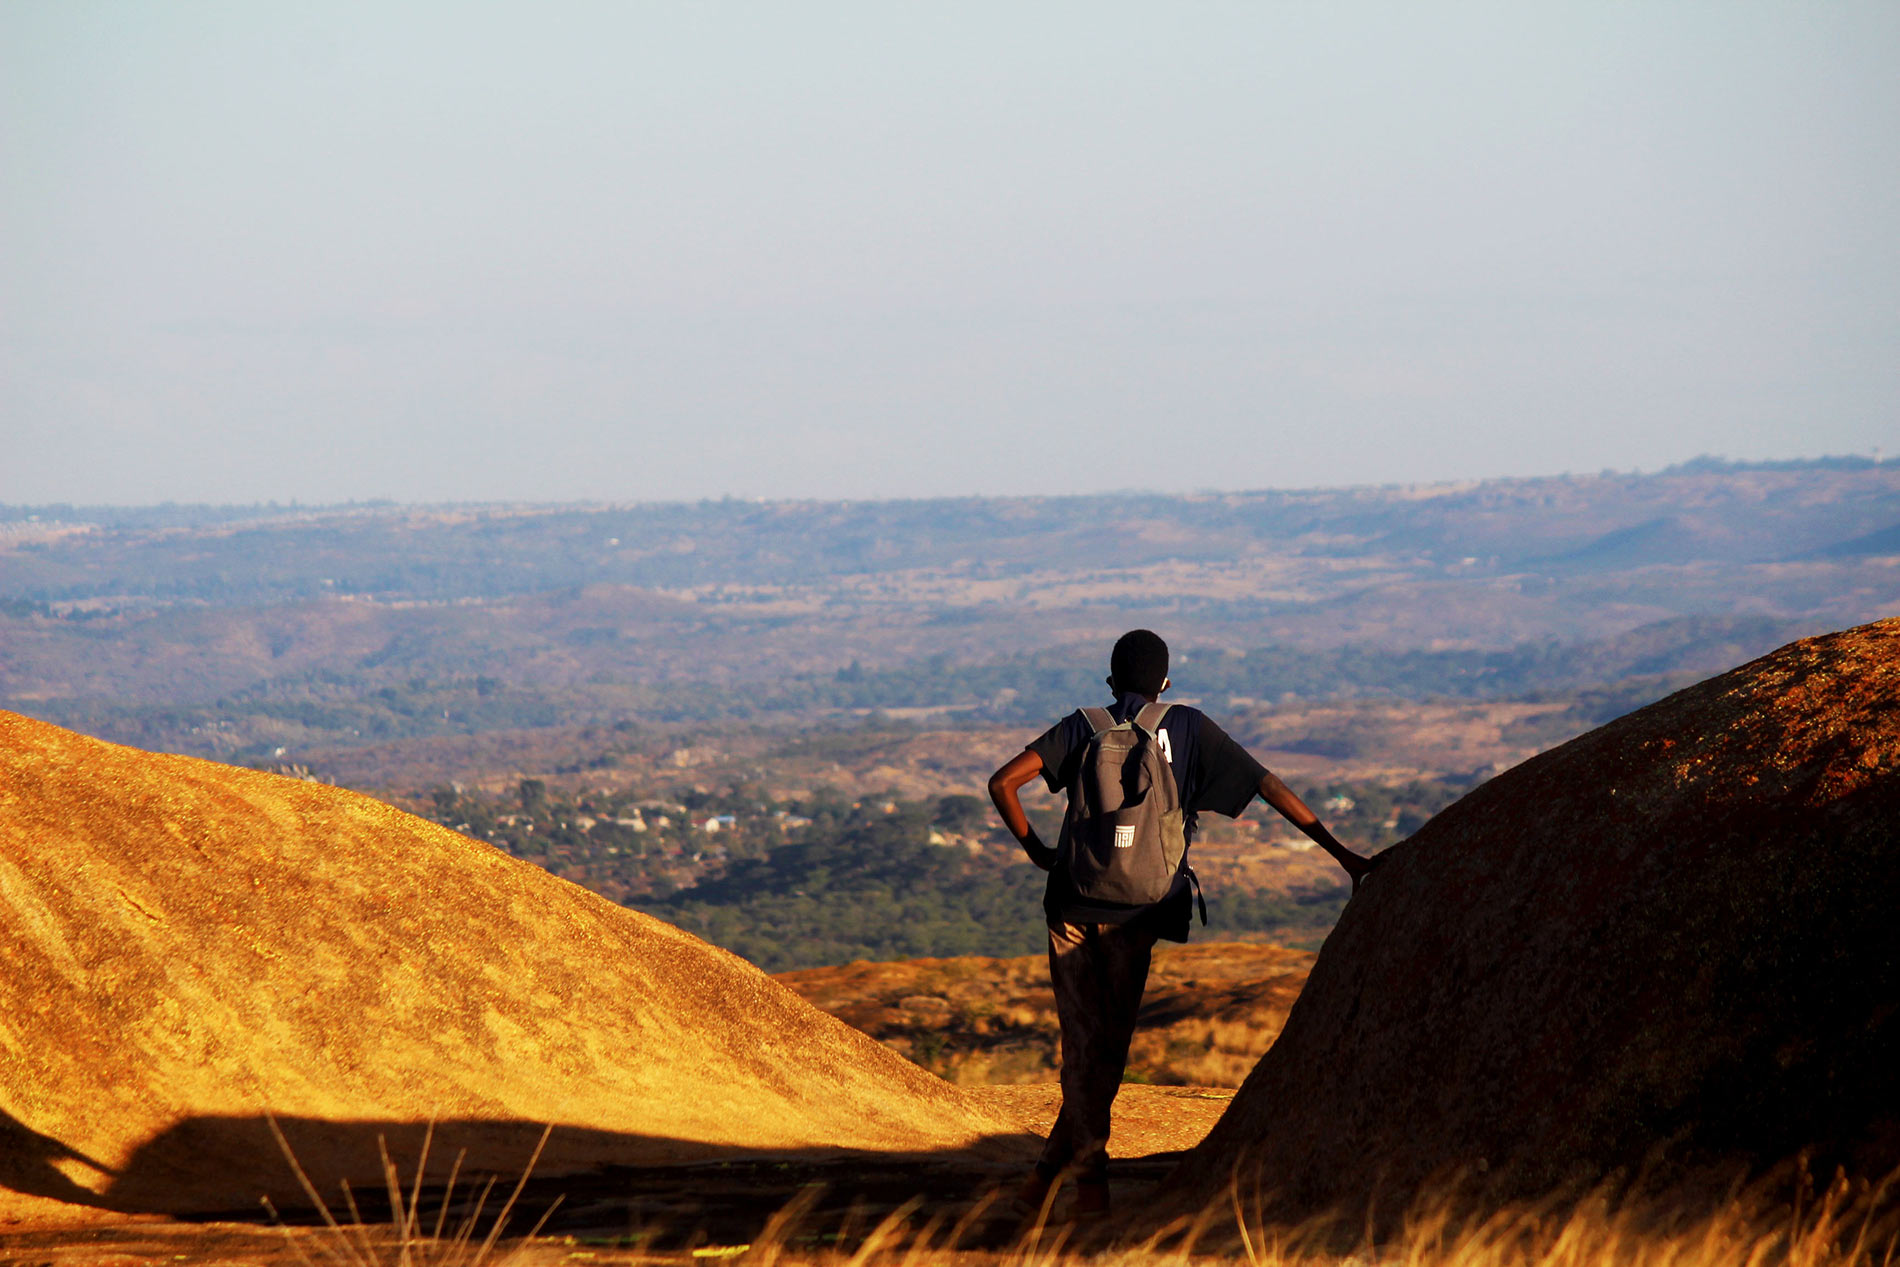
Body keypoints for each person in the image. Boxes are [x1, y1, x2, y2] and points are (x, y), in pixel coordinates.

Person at [986, 628, 1375, 1218]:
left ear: (1112, 681)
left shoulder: (1083, 724)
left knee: (1083, 1047)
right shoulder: (1189, 727)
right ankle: (1085, 1187)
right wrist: (1342, 854)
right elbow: (1268, 786)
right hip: (1141, 910)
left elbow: (1002, 782)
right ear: (1165, 682)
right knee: (1106, 1052)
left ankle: (1050, 1184)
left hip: (1071, 903)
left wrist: (1041, 853)